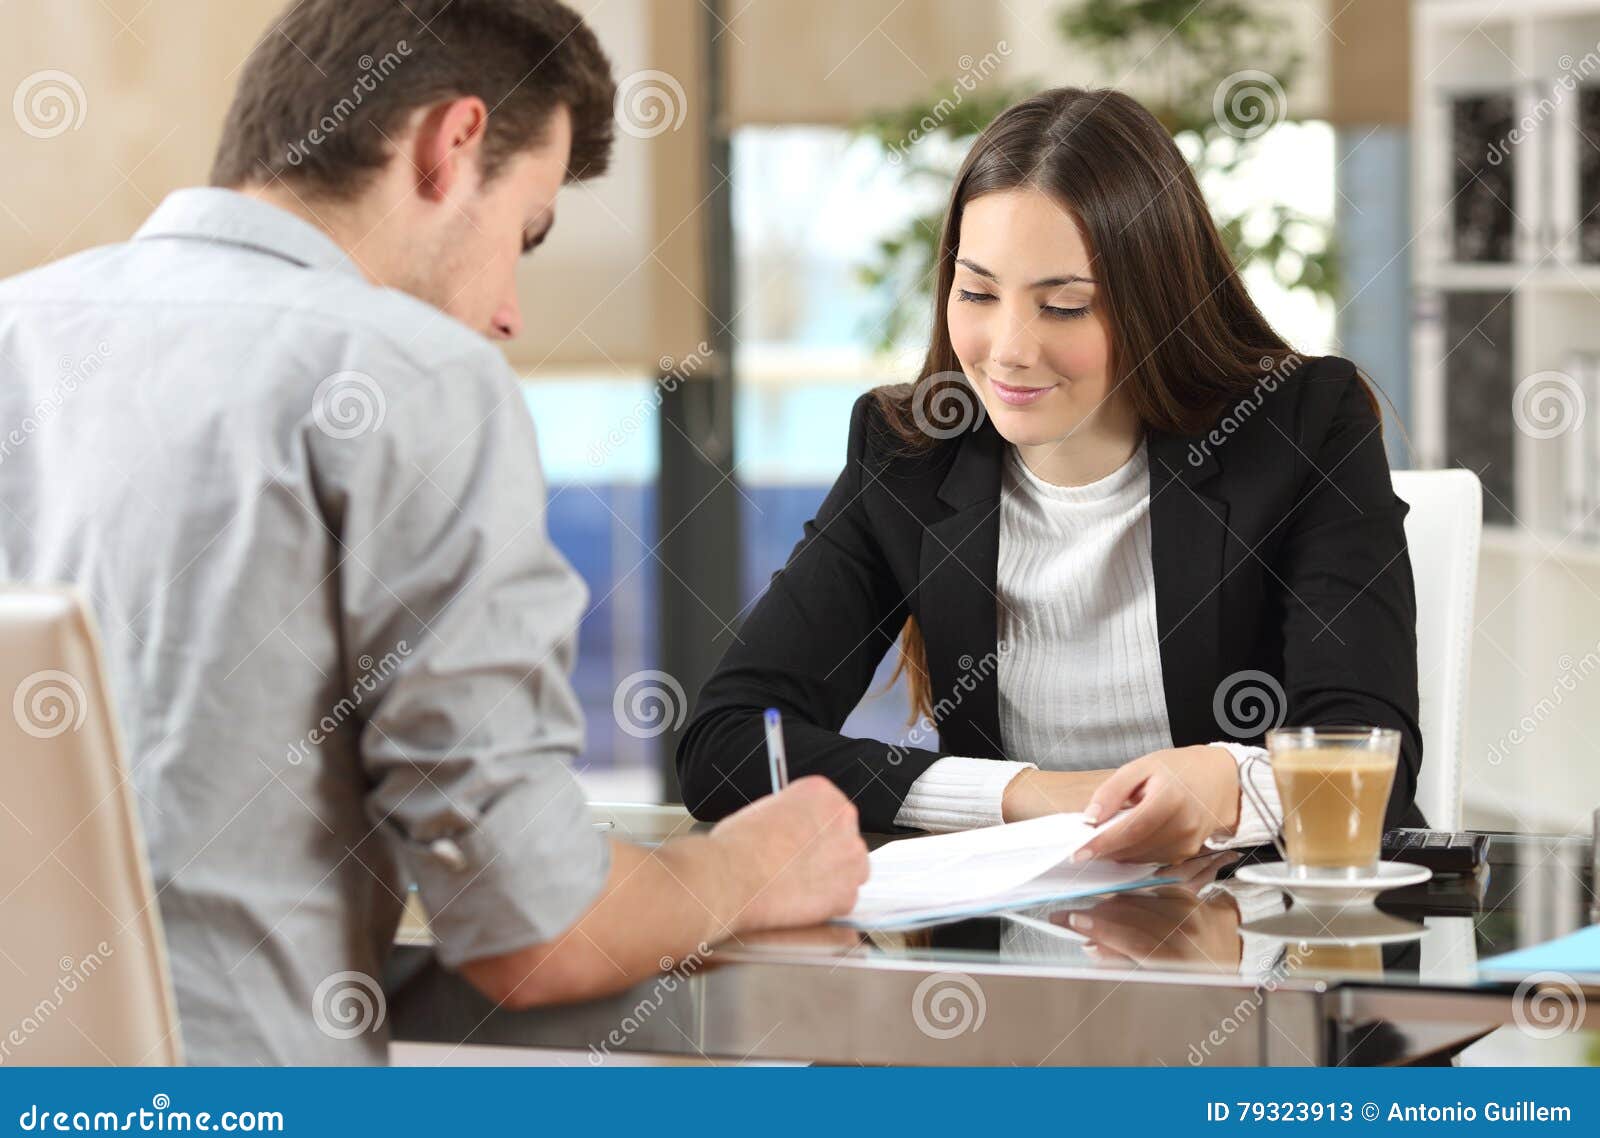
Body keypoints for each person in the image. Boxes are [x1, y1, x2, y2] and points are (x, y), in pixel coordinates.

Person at [0, 0, 867, 1065]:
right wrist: (749, 865)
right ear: (450, 145)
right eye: (526, 234)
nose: (510, 312)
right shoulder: (408, 373)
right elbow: (534, 930)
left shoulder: (17, 328)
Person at [676, 87, 1427, 862]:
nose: (1007, 349)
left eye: (1063, 306)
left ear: (1155, 302)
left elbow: (1378, 766)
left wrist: (1227, 781)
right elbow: (728, 744)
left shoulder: (1299, 425)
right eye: (976, 293)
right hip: (1013, 951)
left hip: (1262, 948)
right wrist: (1024, 792)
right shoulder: (906, 456)